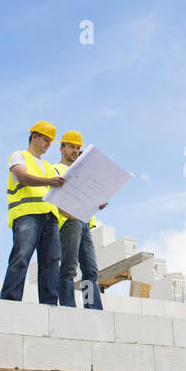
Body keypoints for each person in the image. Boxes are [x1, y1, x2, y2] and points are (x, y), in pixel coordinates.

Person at [0, 120, 65, 304]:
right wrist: (49, 181)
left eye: (51, 142)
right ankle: (10, 301)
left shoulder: (48, 167)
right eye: (46, 139)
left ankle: (50, 305)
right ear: (34, 136)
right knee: (21, 257)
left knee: (51, 263)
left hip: (50, 218)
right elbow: (22, 177)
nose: (48, 144)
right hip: (27, 215)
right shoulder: (19, 156)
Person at [52, 129, 108, 309]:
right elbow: (56, 199)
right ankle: (68, 306)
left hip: (84, 223)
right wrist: (70, 215)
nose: (75, 151)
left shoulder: (81, 172)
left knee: (91, 270)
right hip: (69, 221)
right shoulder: (56, 169)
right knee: (69, 268)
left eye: (78, 148)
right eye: (71, 147)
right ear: (62, 148)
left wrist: (98, 203)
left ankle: (92, 308)